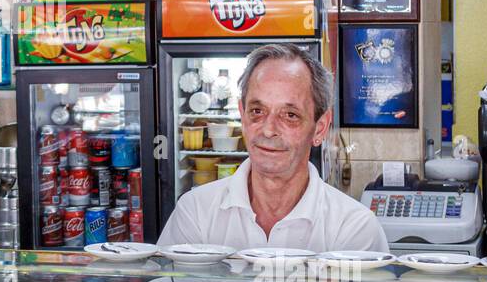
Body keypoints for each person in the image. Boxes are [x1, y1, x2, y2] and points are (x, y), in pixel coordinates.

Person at [159, 43, 388, 253]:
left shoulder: (354, 228)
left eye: (290, 115)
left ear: (319, 129)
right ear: (243, 115)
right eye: (257, 111)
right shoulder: (196, 212)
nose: (268, 130)